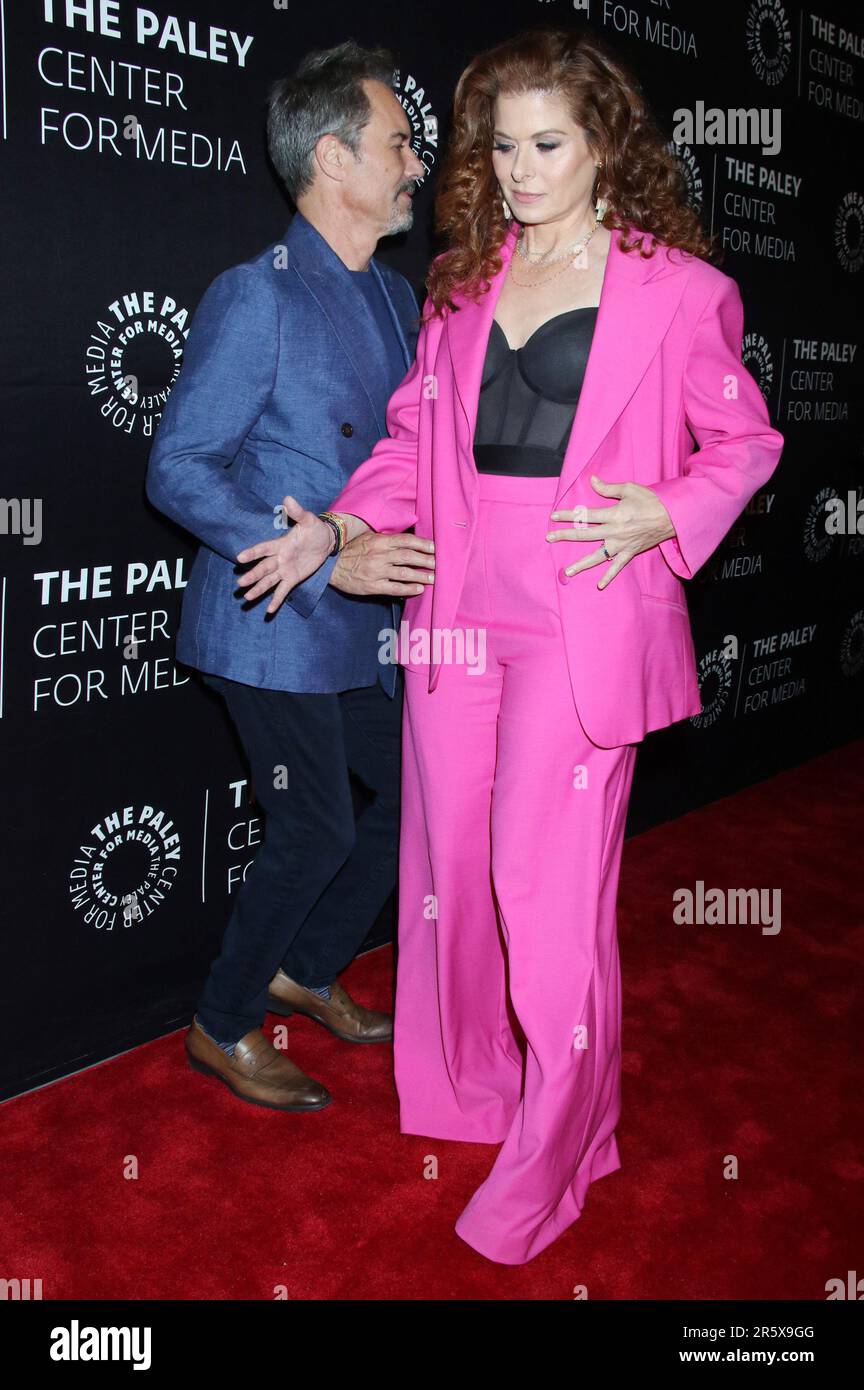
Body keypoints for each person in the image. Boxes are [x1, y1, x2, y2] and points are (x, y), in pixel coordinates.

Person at [234, 29, 784, 1261]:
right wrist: (337, 523)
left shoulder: (681, 288)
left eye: (549, 144)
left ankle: (562, 1143)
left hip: (586, 607)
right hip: (459, 610)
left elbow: (742, 440)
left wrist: (671, 507)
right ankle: (469, 1088)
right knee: (447, 878)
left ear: (603, 147)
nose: (522, 170)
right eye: (501, 144)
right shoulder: (462, 282)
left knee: (547, 896)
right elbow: (408, 445)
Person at [145, 41, 433, 1112]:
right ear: (333, 157)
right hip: (271, 614)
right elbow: (178, 468)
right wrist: (321, 548)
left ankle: (305, 971)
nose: (416, 163)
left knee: (411, 806)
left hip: (367, 625)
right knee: (318, 821)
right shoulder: (254, 295)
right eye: (399, 143)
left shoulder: (402, 301)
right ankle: (224, 1024)